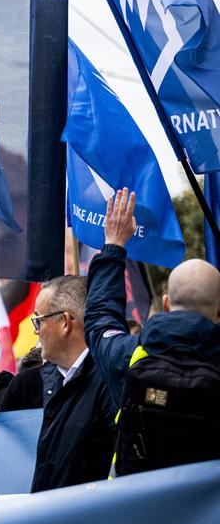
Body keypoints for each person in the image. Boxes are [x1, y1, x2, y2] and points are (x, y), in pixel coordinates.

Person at [83, 189, 220, 473]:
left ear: (166, 303)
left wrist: (113, 245)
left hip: (140, 513)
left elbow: (99, 319)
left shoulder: (129, 355)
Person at [0, 275, 116, 492]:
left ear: (65, 323)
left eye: (38, 320)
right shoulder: (37, 382)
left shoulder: (111, 381)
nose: (35, 330)